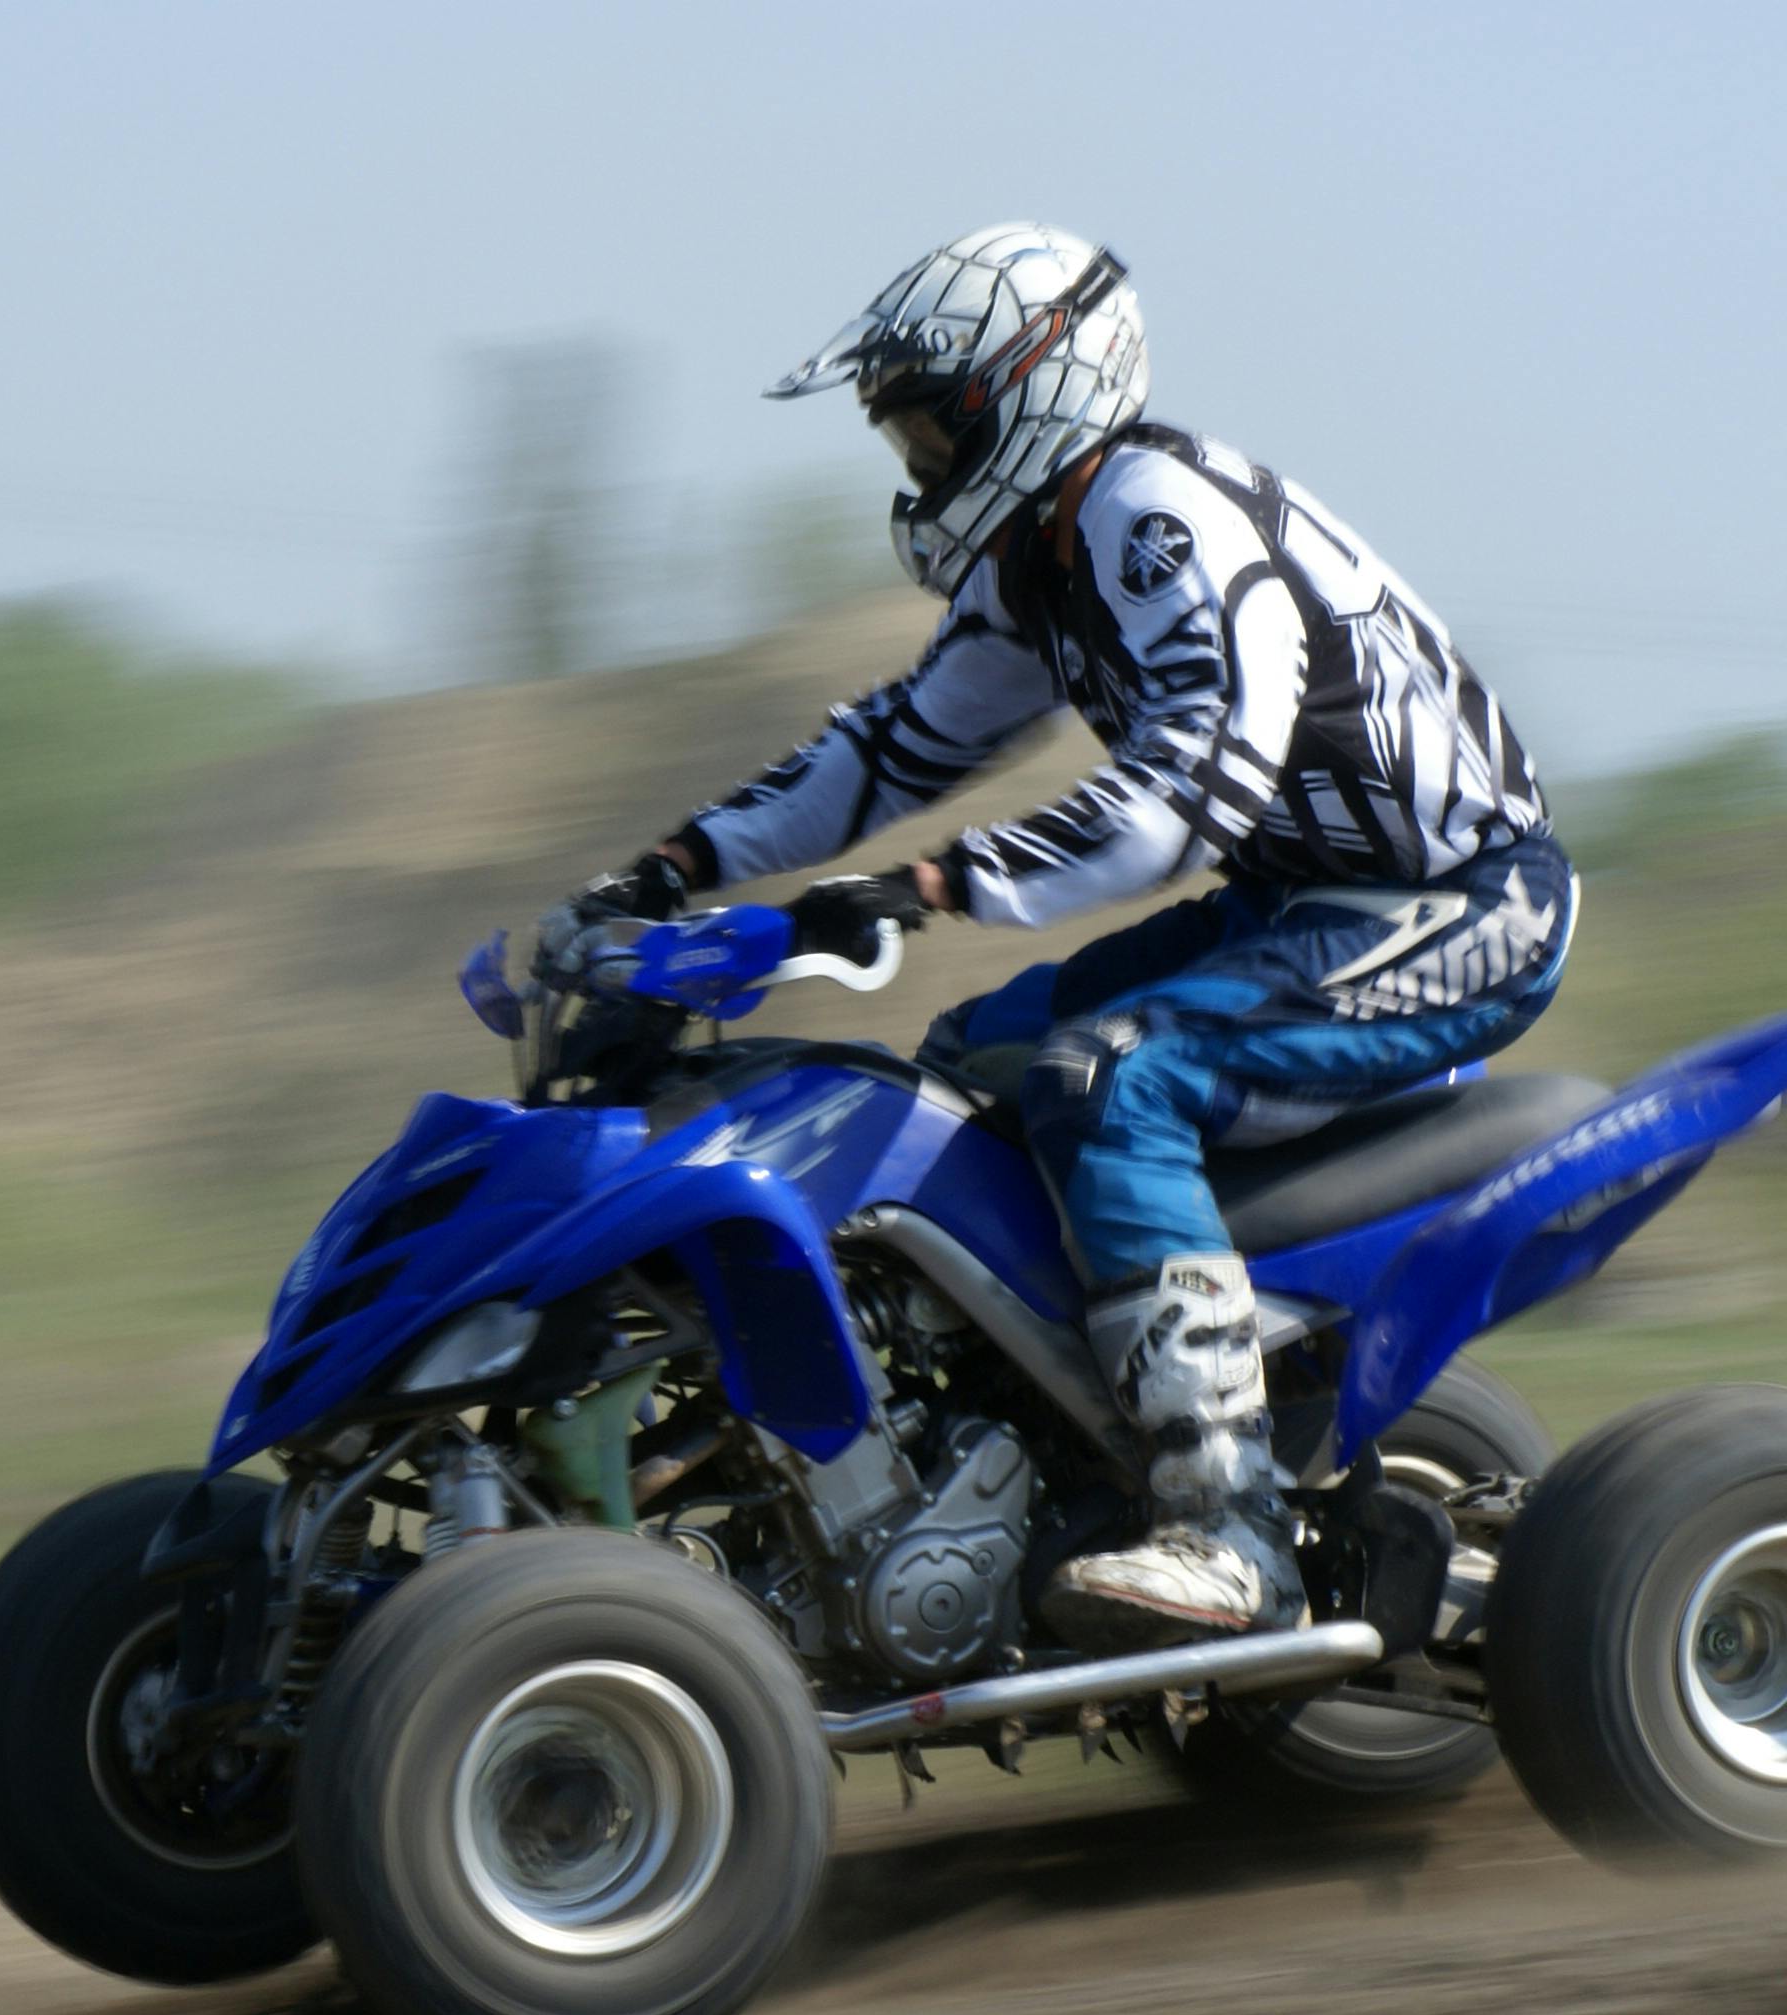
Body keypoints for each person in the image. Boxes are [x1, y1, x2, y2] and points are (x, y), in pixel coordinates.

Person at [571, 222, 1574, 1649]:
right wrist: (666, 871)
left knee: (1110, 1080)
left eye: (936, 425)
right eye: (902, 435)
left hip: (1462, 905)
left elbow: (1184, 796)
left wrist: (923, 892)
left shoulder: (1161, 522)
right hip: (1299, 905)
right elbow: (891, 750)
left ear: (1040, 387)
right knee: (954, 1066)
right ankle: (1037, 1441)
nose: (918, 462)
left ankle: (1228, 1525)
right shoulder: (1039, 561)